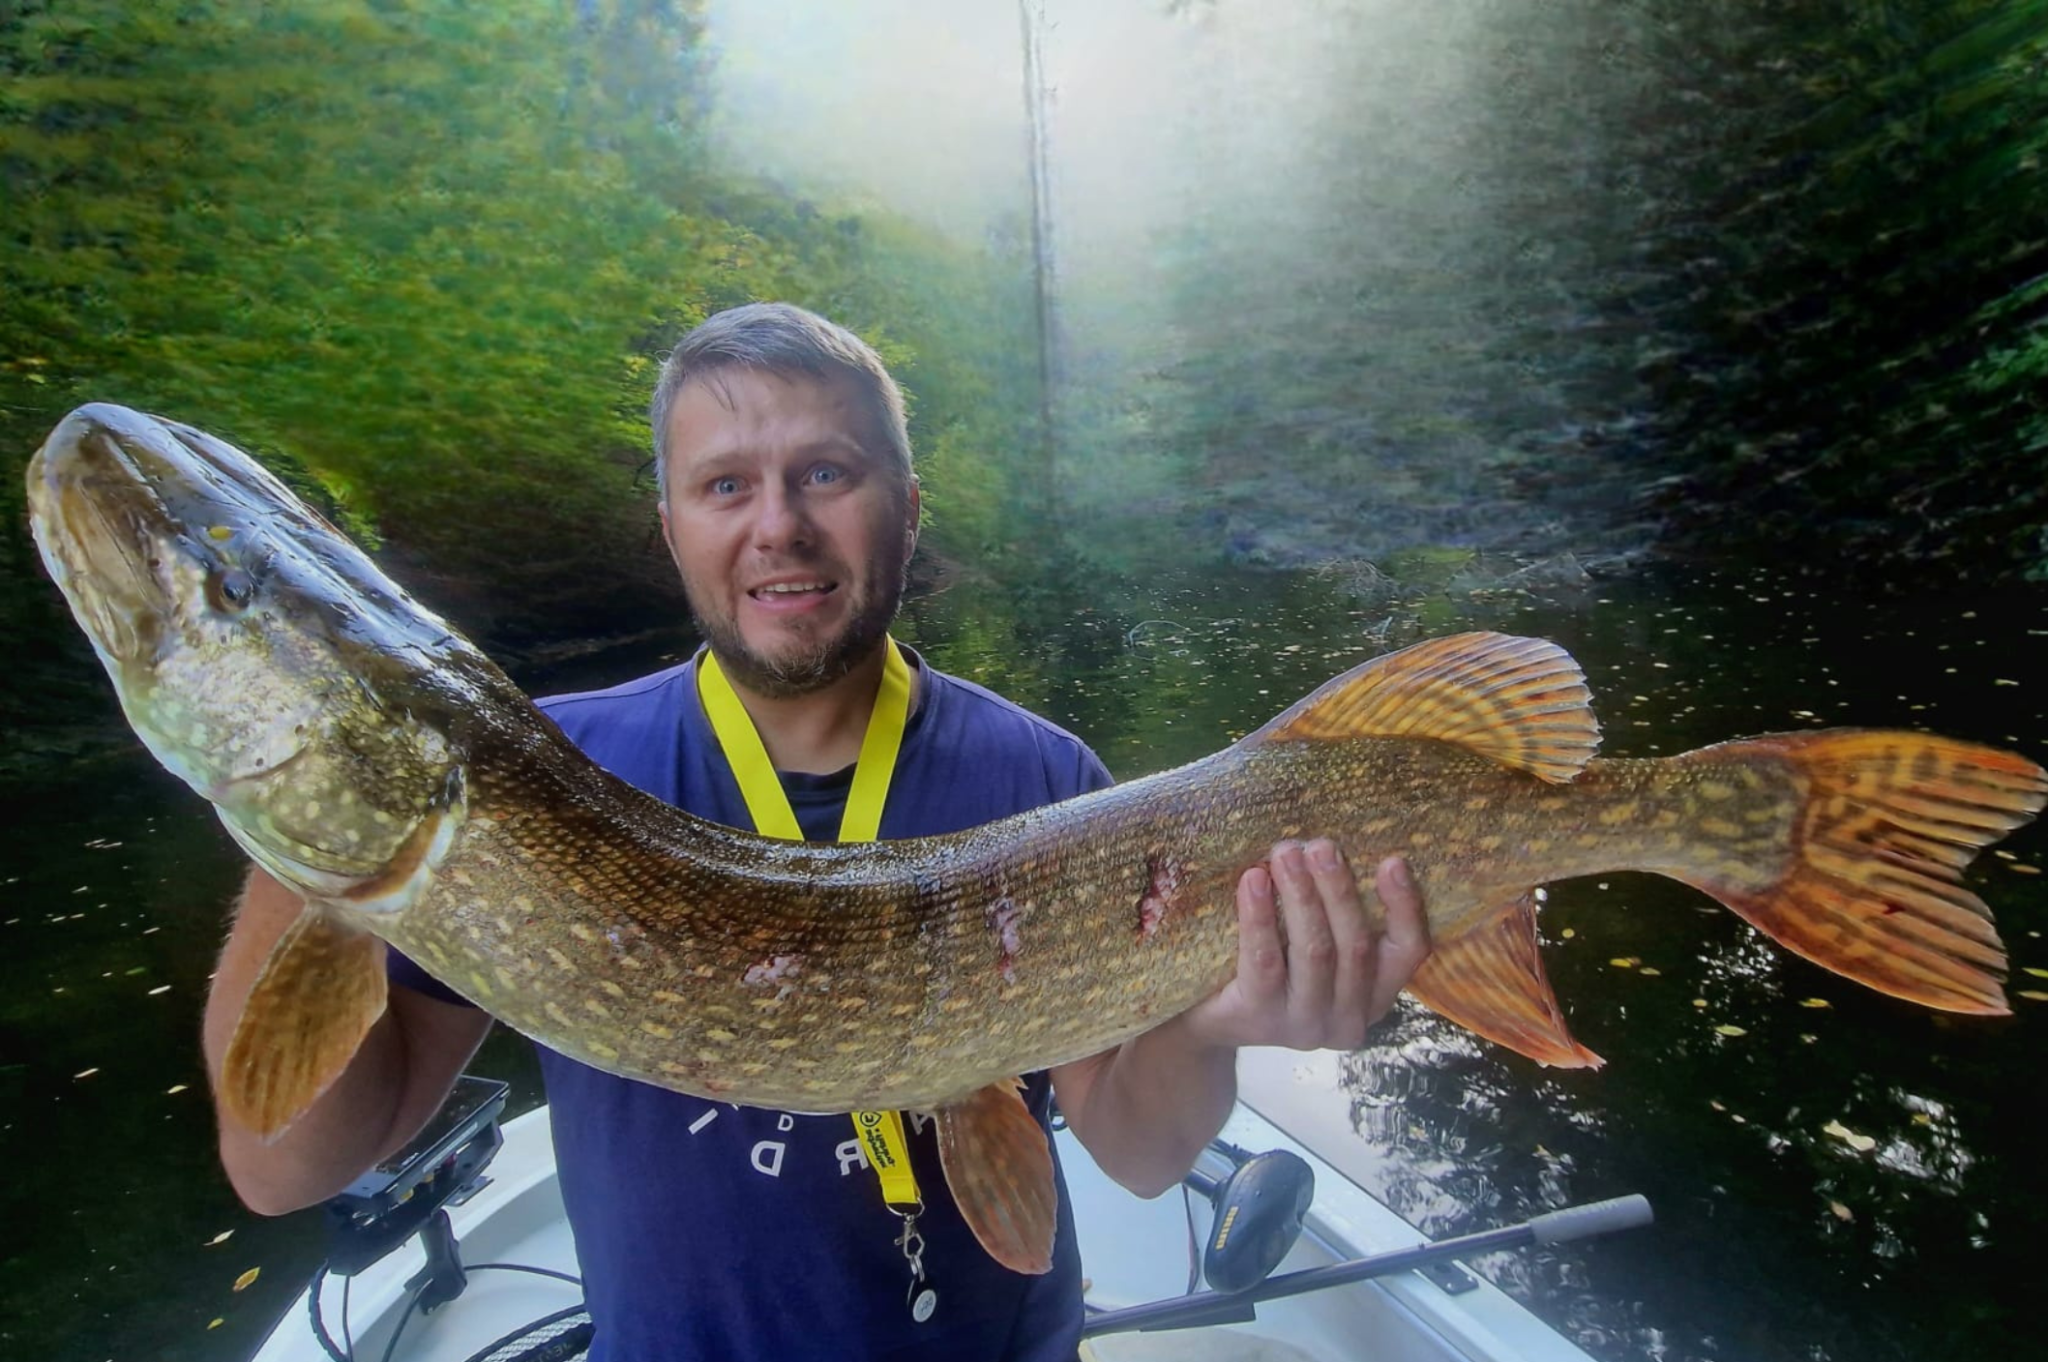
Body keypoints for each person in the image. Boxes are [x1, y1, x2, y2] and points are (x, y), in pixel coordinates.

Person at [203, 302, 1432, 1361]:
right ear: (672, 525)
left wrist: (1220, 1024)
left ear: (905, 506)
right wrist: (308, 828)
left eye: (825, 474)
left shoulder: (1042, 774)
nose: (777, 525)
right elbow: (284, 1168)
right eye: (725, 484)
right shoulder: (551, 771)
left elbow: (1139, 1151)